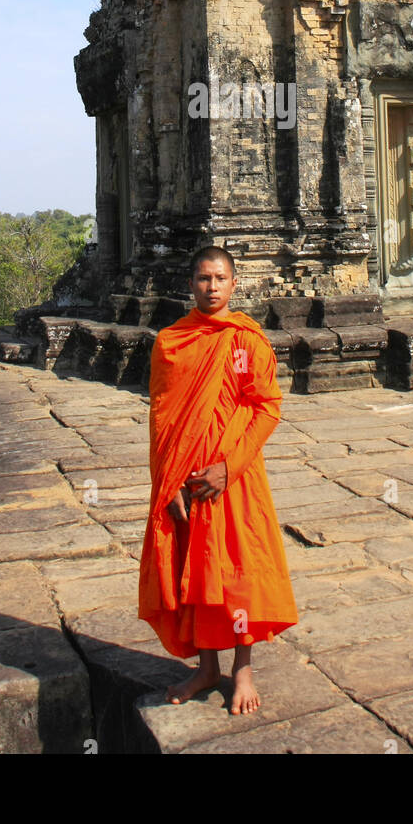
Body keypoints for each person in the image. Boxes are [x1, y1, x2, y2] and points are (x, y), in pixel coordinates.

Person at [138, 245, 298, 715]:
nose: (212, 287)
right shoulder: (171, 342)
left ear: (234, 284)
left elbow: (266, 406)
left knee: (238, 570)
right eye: (203, 279)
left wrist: (228, 468)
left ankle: (241, 669)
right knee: (194, 571)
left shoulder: (245, 340)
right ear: (191, 284)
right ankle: (207, 667)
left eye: (220, 279)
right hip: (185, 479)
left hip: (234, 475)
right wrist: (167, 485)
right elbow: (162, 420)